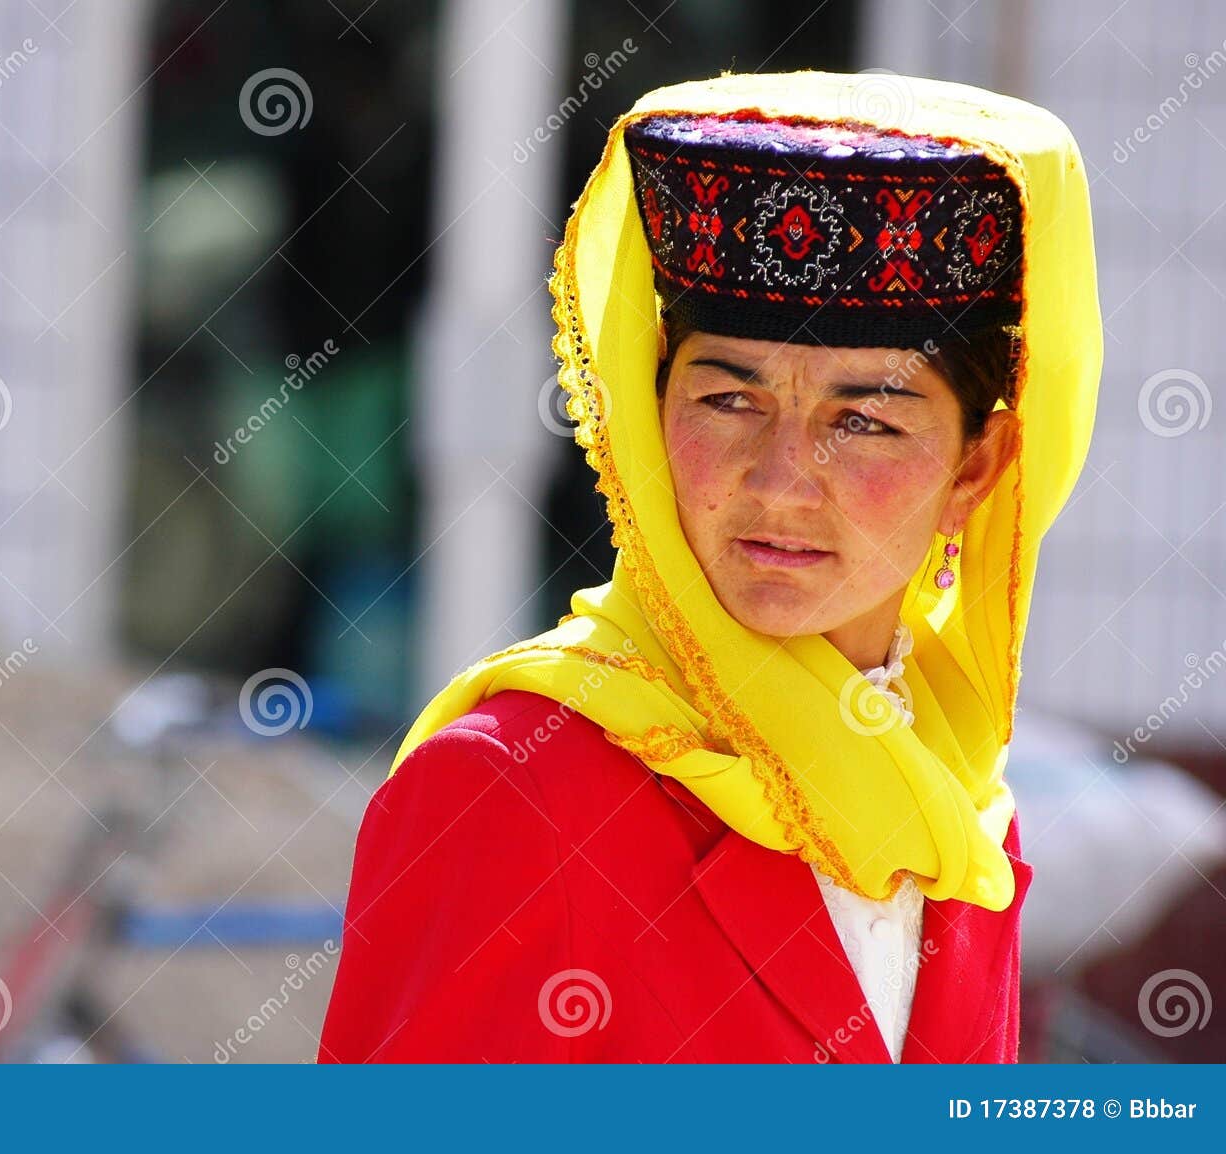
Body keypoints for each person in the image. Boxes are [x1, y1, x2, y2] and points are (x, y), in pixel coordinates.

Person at [318, 70, 1102, 1063]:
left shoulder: (953, 808)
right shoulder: (510, 785)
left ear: (977, 466)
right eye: (728, 400)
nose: (779, 482)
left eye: (862, 421)